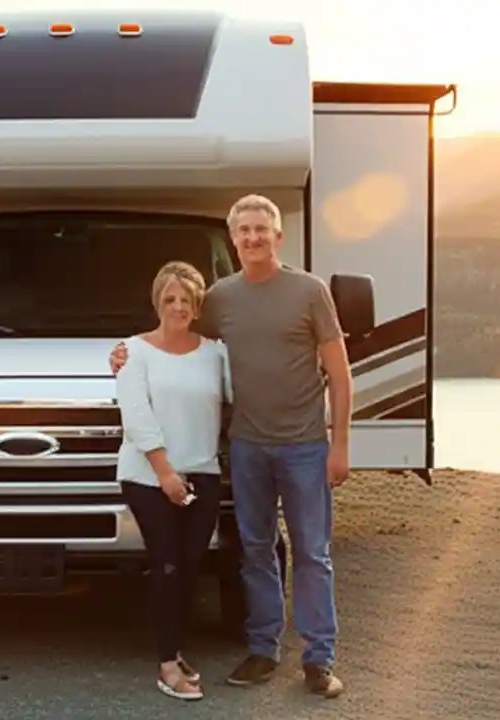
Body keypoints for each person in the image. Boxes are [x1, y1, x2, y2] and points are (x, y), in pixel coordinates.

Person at [109, 194, 351, 699]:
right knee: (255, 551)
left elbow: (339, 369)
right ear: (234, 238)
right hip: (246, 447)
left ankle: (319, 659)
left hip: (305, 444)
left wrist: (340, 444)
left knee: (312, 552)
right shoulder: (219, 298)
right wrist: (122, 354)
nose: (253, 237)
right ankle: (263, 649)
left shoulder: (310, 291)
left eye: (262, 229)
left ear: (277, 236)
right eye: (244, 230)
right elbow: (179, 343)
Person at [114, 260, 230, 702]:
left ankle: (175, 648)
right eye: (169, 299)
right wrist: (165, 472)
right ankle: (166, 665)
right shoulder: (132, 352)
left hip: (202, 472)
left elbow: (241, 396)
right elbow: (137, 416)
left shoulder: (215, 354)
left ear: (197, 307)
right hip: (148, 476)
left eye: (186, 300)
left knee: (188, 567)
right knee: (166, 564)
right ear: (156, 303)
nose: (177, 306)